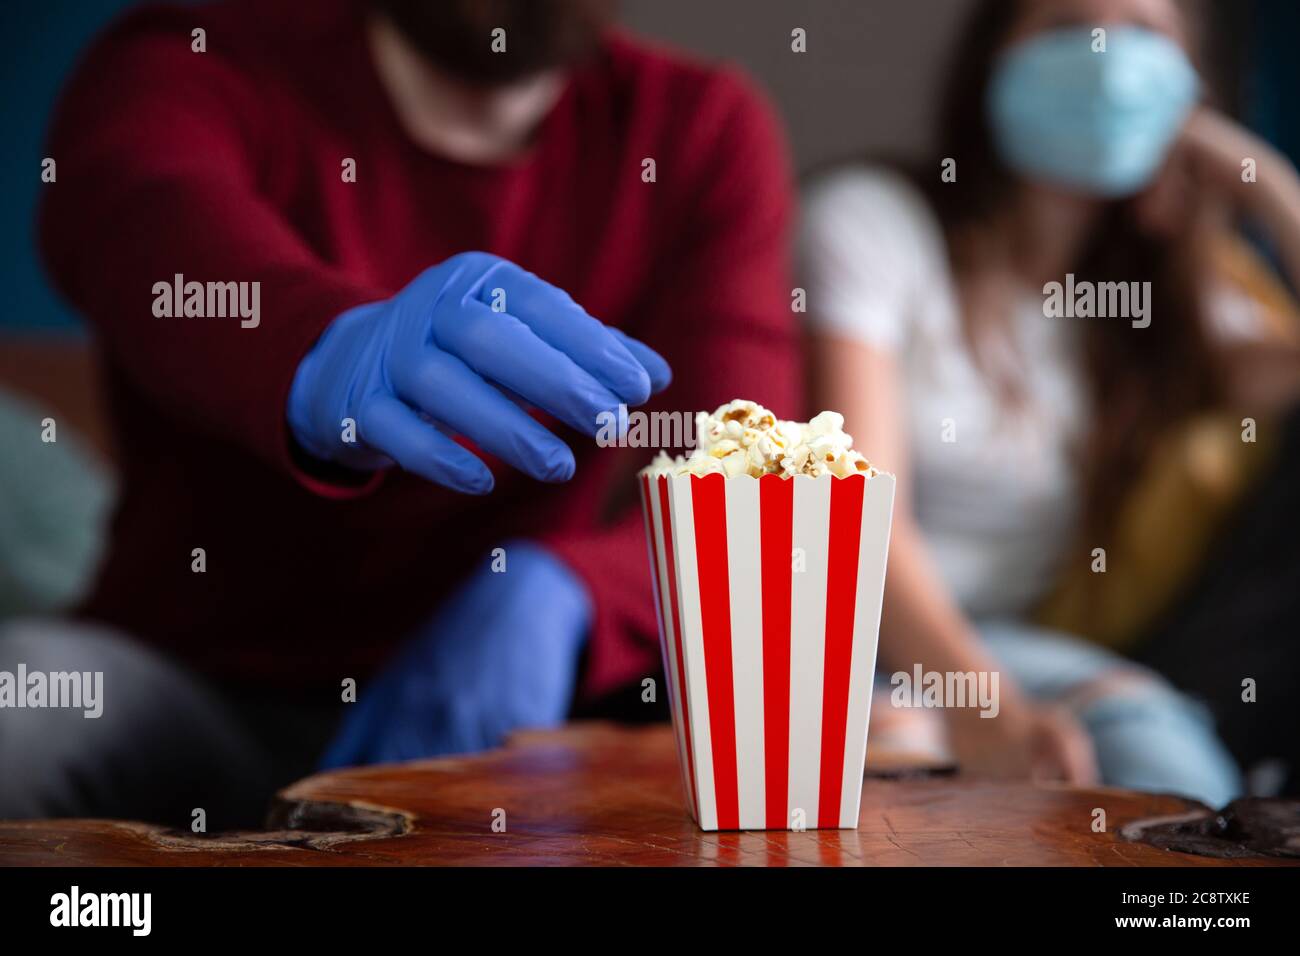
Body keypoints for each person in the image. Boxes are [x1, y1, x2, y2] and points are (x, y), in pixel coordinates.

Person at [3, 0, 799, 824]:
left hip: (516, 713)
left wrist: (566, 592)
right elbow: (143, 220)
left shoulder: (698, 130)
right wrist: (316, 353)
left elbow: (744, 485)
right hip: (192, 687)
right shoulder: (193, 56)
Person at [802, 0, 1300, 806]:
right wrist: (984, 708)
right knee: (897, 785)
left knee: (1172, 771)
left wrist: (1255, 174)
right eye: (1068, 25)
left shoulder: (1156, 306)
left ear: (1187, 88)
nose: (1106, 57)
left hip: (1026, 646)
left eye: (1144, 35)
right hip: (838, 634)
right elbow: (855, 518)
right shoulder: (871, 223)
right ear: (991, 59)